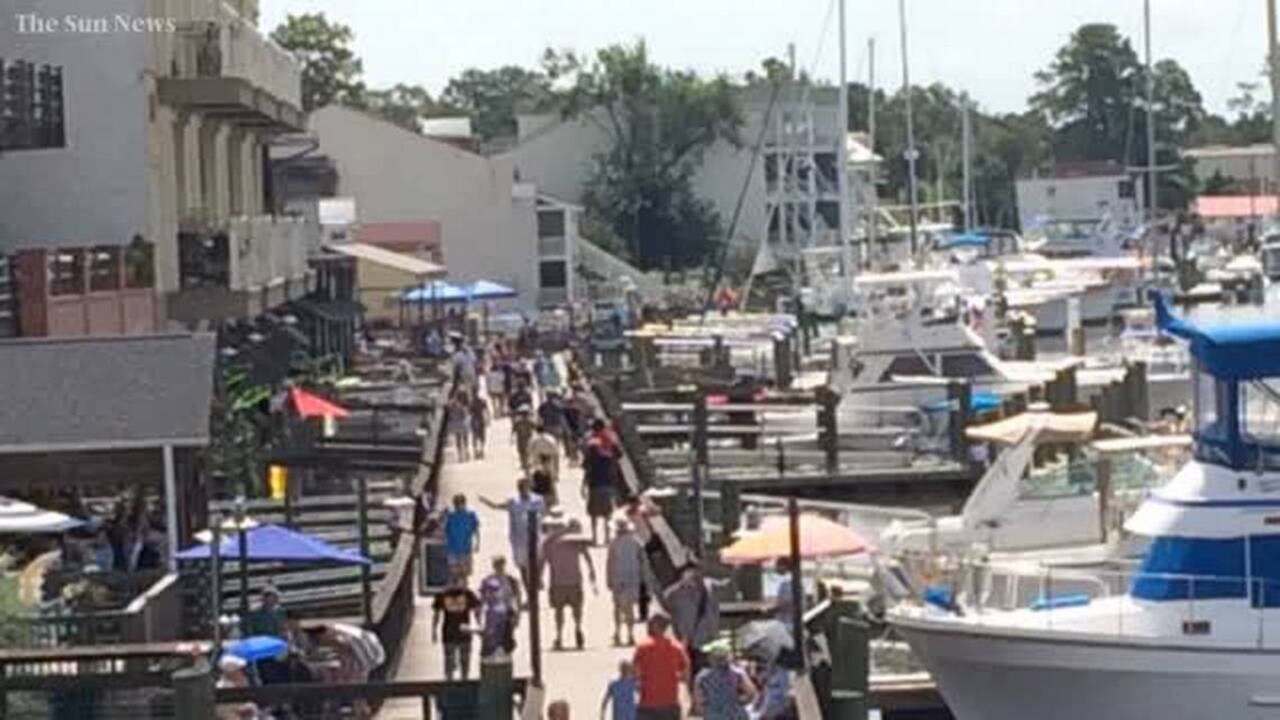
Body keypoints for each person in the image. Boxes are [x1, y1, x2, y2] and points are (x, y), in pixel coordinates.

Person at [540, 518, 598, 650]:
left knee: (558, 611)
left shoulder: (550, 542)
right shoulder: (574, 541)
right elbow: (587, 556)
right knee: (577, 609)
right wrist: (591, 572)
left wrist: (540, 577)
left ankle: (559, 636)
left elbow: (542, 560)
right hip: (574, 580)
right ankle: (577, 628)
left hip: (557, 581)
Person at [479, 479, 545, 590]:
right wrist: (486, 501)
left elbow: (543, 515)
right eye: (520, 488)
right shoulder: (513, 501)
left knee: (536, 562)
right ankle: (528, 588)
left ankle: (536, 580)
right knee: (522, 566)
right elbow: (496, 506)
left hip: (535, 537)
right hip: (518, 539)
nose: (522, 490)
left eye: (524, 487)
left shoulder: (538, 500)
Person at [665, 563, 720, 683]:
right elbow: (671, 615)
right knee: (689, 673)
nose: (694, 577)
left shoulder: (709, 589)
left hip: (706, 639)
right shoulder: (674, 593)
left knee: (705, 672)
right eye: (690, 575)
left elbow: (715, 612)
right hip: (686, 640)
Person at [633, 615, 688, 720]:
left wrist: (638, 684)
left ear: (654, 627)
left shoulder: (642, 648)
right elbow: (685, 672)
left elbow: (635, 673)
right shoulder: (676, 648)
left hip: (648, 702)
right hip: (670, 701)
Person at [606, 518, 645, 646]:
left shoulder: (614, 543)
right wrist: (643, 578)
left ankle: (617, 633)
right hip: (633, 578)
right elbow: (642, 561)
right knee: (630, 608)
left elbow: (610, 562)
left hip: (618, 577)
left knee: (617, 608)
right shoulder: (636, 541)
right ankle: (630, 634)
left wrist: (609, 579)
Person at [433, 579, 481, 680]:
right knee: (463, 660)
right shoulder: (467, 594)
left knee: (451, 660)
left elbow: (436, 614)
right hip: (461, 632)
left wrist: (434, 630)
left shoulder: (443, 595)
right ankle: (462, 680)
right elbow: (477, 610)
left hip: (451, 632)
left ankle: (451, 681)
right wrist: (479, 625)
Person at [695, 641, 755, 720]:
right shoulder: (738, 673)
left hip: (713, 715)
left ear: (712, 658)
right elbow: (751, 693)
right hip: (736, 714)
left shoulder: (702, 677)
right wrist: (739, 701)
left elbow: (699, 703)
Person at [582, 424, 622, 545]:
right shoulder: (610, 442)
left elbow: (585, 465)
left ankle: (594, 537)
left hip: (594, 483)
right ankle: (607, 537)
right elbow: (620, 455)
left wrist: (583, 483)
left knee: (594, 514)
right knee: (607, 513)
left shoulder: (592, 444)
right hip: (608, 482)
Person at [479, 556, 522, 659]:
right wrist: (479, 612)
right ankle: (492, 657)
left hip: (507, 612)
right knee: (491, 637)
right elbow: (483, 597)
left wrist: (517, 615)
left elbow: (518, 597)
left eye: (501, 565)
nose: (499, 567)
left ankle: (506, 657)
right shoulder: (487, 580)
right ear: (494, 566)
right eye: (497, 565)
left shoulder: (511, 580)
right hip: (492, 613)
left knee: (507, 637)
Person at [442, 494, 480, 581]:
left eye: (460, 503)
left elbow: (476, 530)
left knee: (464, 574)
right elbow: (445, 530)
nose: (458, 506)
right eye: (456, 504)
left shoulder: (470, 515)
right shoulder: (450, 516)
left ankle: (464, 591)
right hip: (452, 548)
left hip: (465, 549)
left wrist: (477, 543)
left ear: (464, 504)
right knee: (453, 574)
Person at [215, 655, 261, 720]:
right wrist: (240, 709)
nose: (241, 673)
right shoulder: (221, 687)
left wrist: (250, 707)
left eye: (241, 670)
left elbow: (249, 701)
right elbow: (222, 711)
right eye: (239, 670)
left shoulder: (243, 682)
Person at [529, 423, 562, 505]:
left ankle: (541, 499)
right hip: (550, 461)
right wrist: (557, 466)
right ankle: (553, 499)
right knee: (551, 480)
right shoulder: (550, 438)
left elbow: (530, 451)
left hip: (538, 462)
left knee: (539, 480)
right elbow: (556, 452)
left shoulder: (534, 440)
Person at [449, 390, 472, 462]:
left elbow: (449, 416)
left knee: (458, 440)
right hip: (462, 424)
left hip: (455, 425)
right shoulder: (461, 406)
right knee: (465, 438)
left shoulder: (451, 406)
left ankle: (460, 455)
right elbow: (465, 415)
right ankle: (466, 452)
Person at [512, 407, 535, 471]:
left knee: (523, 451)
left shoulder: (518, 422)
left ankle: (525, 463)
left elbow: (513, 430)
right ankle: (526, 463)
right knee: (524, 451)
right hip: (525, 438)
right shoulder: (529, 421)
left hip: (523, 438)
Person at [470, 391, 490, 459]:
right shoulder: (482, 401)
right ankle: (481, 451)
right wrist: (487, 419)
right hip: (481, 420)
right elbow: (486, 410)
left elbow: (469, 413)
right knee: (482, 437)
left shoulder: (471, 402)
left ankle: (476, 452)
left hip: (474, 421)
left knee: (475, 437)